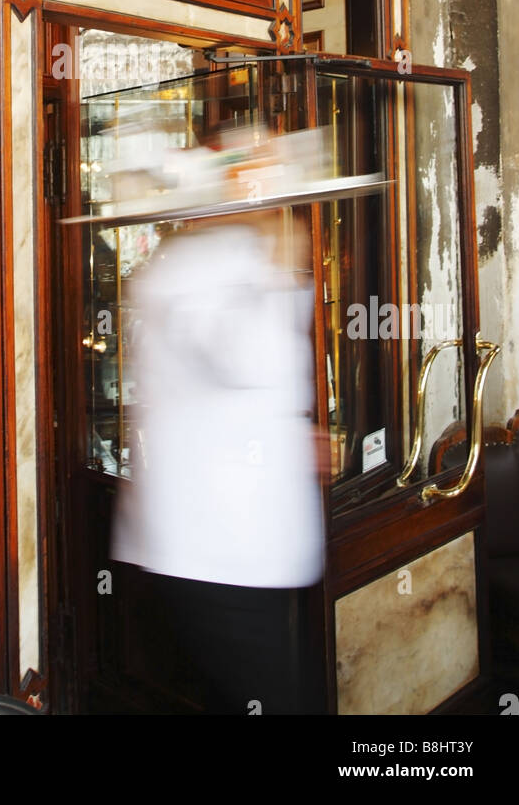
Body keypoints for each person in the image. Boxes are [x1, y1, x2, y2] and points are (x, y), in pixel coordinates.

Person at [111, 207, 325, 715]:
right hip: (215, 547)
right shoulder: (196, 264)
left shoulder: (228, 255)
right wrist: (279, 260)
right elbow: (250, 359)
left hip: (238, 543)